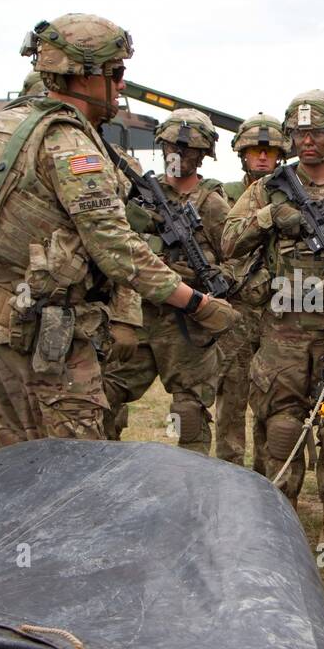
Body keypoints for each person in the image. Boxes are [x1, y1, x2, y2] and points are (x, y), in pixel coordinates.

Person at [0, 14, 234, 446]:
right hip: (43, 329)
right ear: (84, 75)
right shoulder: (70, 143)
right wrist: (194, 302)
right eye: (116, 74)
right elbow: (115, 248)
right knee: (74, 468)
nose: (121, 85)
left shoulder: (6, 124)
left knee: (18, 453)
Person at [222, 90, 324, 561]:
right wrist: (271, 216)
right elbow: (228, 242)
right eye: (301, 133)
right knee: (282, 426)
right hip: (283, 331)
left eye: (318, 133)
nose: (308, 141)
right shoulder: (266, 189)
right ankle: (283, 525)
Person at [101, 108, 232, 454]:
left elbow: (238, 260)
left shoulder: (213, 205)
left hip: (187, 322)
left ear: (204, 155)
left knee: (188, 412)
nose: (179, 155)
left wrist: (200, 279)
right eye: (172, 147)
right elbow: (111, 245)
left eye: (189, 150)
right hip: (138, 315)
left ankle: (191, 488)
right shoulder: (138, 195)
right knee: (104, 396)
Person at [212, 113, 286, 471]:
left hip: (278, 311)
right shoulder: (223, 197)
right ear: (242, 154)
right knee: (232, 393)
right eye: (255, 151)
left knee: (271, 396)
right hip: (237, 307)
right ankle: (228, 471)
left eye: (269, 152)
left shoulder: (293, 195)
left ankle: (264, 474)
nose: (262, 157)